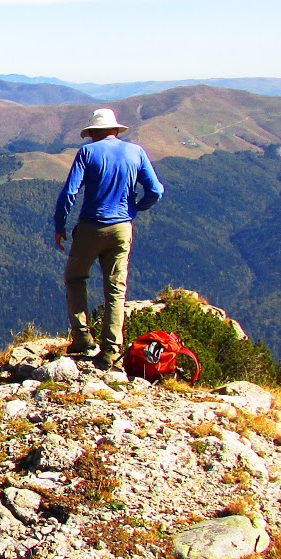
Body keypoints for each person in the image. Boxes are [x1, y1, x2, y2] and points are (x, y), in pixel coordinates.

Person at [53, 107, 164, 369]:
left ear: (94, 133)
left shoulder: (88, 153)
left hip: (92, 226)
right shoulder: (136, 152)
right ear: (115, 130)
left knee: (75, 278)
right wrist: (136, 207)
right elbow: (156, 190)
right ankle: (110, 350)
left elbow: (69, 193)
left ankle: (82, 338)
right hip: (122, 227)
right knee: (115, 289)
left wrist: (60, 225)